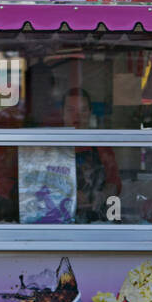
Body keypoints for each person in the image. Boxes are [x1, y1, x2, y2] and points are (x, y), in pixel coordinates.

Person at [61, 88, 122, 221]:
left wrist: (104, 194)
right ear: (62, 113)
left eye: (83, 110)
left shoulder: (101, 146)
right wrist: (69, 195)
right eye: (71, 110)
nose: (77, 116)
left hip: (98, 222)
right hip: (61, 220)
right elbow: (39, 187)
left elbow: (114, 183)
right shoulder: (52, 147)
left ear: (90, 112)